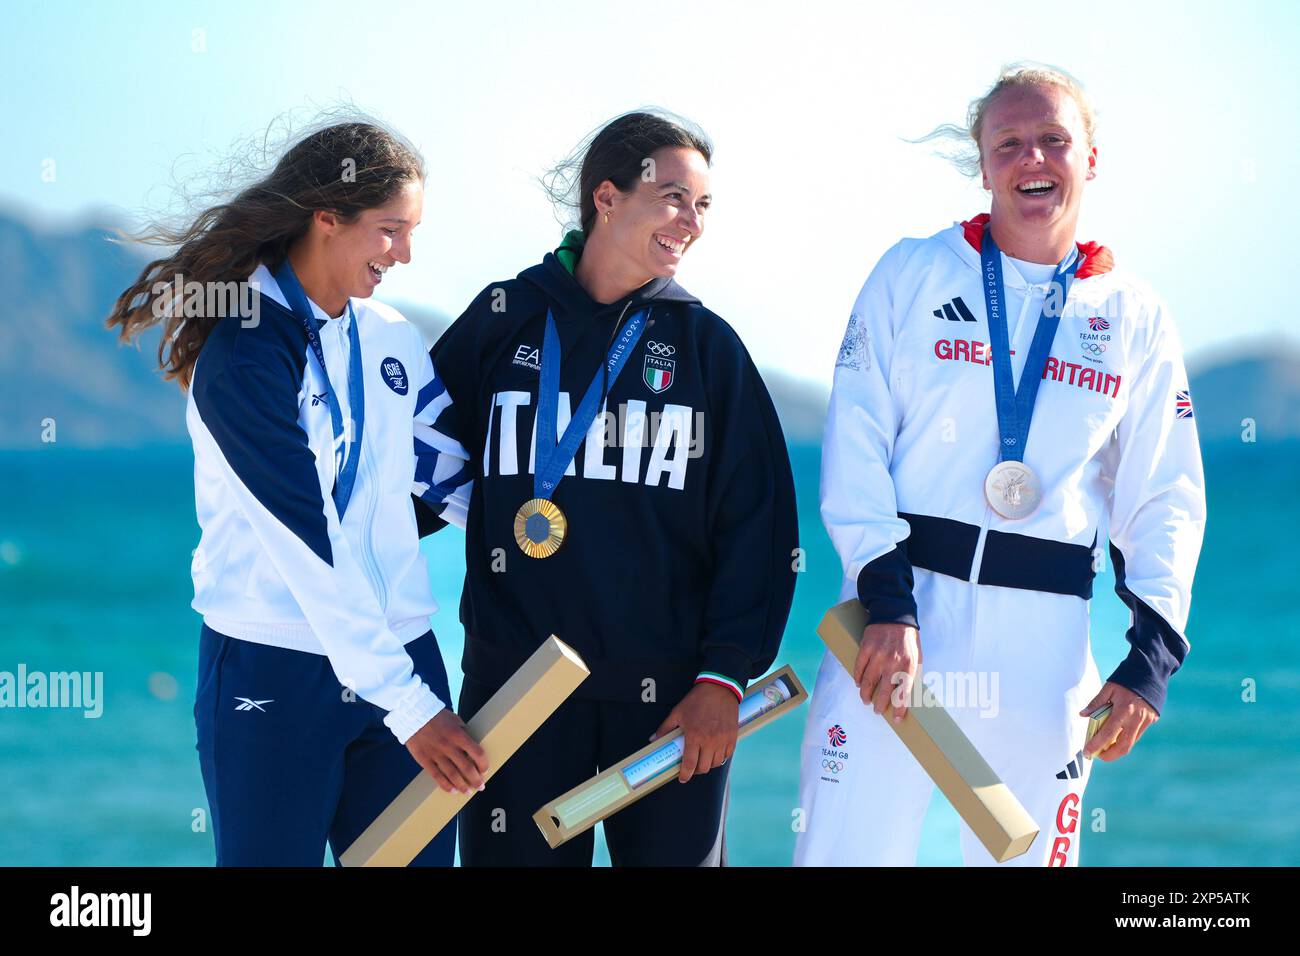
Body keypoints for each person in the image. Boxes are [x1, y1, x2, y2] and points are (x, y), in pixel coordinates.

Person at [794, 65, 1206, 866]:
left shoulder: (1134, 314)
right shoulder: (911, 273)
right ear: (982, 165)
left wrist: (1150, 657)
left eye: (1054, 140)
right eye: (1009, 143)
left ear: (1090, 159)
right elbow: (855, 443)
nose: (1033, 159)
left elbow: (1166, 494)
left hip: (1045, 642)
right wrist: (888, 603)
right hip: (899, 618)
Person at [415, 110, 799, 866]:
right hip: (514, 700)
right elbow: (407, 487)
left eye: (703, 206)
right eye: (673, 197)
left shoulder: (707, 349)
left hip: (671, 708)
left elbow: (758, 530)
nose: (691, 221)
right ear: (607, 197)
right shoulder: (503, 319)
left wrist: (723, 678)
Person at [106, 119, 487, 866]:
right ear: (327, 218)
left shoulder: (392, 340)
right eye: (390, 230)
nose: (405, 255)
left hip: (401, 651)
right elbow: (306, 538)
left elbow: (456, 485)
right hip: (273, 671)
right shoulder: (242, 351)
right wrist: (409, 706)